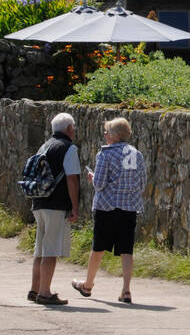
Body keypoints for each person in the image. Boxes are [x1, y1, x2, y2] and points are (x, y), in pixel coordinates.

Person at [71, 117, 146, 305]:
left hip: (107, 206)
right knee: (126, 249)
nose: (104, 135)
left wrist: (92, 177)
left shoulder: (105, 154)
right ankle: (126, 290)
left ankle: (87, 285)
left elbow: (100, 183)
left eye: (106, 132)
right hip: (129, 207)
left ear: (113, 135)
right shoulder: (136, 154)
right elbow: (142, 183)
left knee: (98, 247)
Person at [29, 112, 81, 306]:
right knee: (50, 250)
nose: (74, 131)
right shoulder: (68, 148)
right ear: (68, 128)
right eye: (73, 128)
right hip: (56, 204)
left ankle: (35, 290)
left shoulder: (44, 146)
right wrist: (74, 206)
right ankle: (45, 293)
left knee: (40, 249)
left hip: (39, 201)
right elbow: (71, 179)